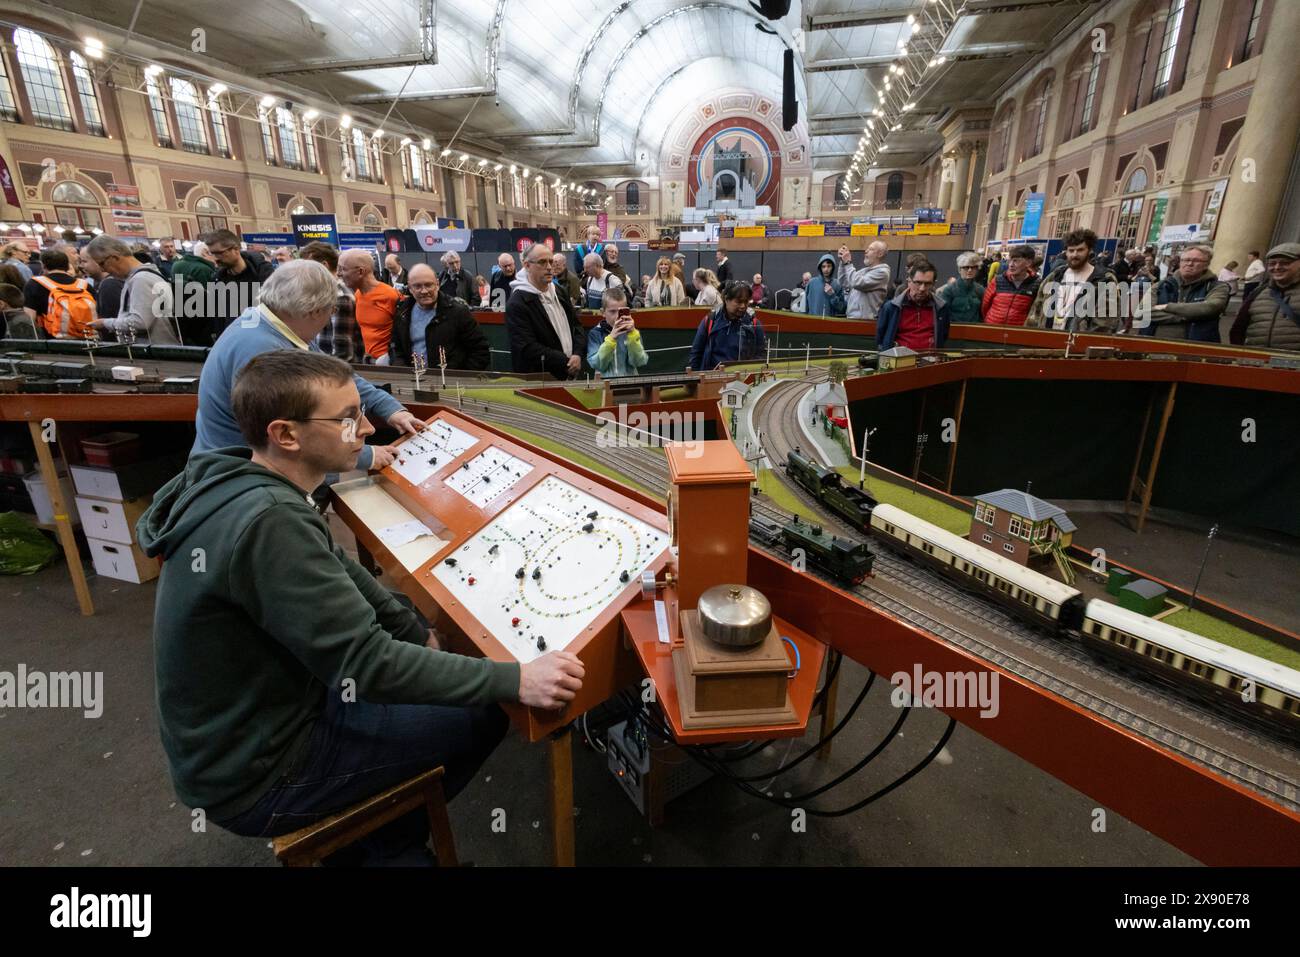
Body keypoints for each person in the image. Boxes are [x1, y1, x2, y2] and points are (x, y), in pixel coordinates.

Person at [139, 348, 584, 865]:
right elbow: (367, 665)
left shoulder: (247, 482)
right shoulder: (268, 521)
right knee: (485, 713)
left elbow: (340, 568)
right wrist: (516, 680)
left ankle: (376, 831)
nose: (368, 429)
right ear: (286, 435)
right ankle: (379, 839)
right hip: (258, 773)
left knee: (407, 616)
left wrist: (413, 629)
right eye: (348, 418)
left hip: (253, 728)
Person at [193, 259, 421, 470]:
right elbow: (296, 435)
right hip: (241, 475)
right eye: (331, 310)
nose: (330, 317)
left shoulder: (272, 323)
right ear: (312, 311)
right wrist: (367, 455)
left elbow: (335, 377)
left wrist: (391, 409)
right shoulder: (264, 349)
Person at [388, 263, 490, 370]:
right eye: (417, 286)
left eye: (428, 285)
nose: (424, 291)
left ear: (437, 284)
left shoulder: (458, 312)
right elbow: (395, 349)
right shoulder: (402, 312)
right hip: (413, 381)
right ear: (410, 288)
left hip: (451, 383)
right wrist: (403, 372)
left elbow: (480, 351)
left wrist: (459, 378)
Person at [505, 243, 585, 379]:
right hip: (541, 380)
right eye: (542, 262)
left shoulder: (560, 291)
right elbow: (527, 348)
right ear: (527, 265)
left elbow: (577, 327)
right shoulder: (517, 303)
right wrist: (566, 362)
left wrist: (577, 354)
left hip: (570, 373)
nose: (549, 267)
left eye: (551, 261)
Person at [84, 235, 180, 345]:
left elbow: (141, 322)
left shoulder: (141, 279)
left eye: (102, 263)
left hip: (156, 353)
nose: (102, 269)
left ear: (114, 257)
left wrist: (105, 323)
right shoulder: (142, 276)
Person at [1027, 229, 1119, 332]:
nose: (1074, 255)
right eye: (1071, 250)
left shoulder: (1104, 280)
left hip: (1078, 343)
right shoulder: (1055, 277)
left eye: (1080, 250)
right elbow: (1036, 312)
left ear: (1090, 251)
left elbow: (1106, 322)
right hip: (1047, 340)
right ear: (1065, 252)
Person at [1144, 243, 1229, 342]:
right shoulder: (1162, 285)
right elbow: (1143, 313)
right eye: (1186, 260)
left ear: (1207, 264)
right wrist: (1189, 316)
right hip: (1155, 345)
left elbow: (1211, 307)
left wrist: (1167, 307)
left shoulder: (1217, 286)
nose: (1189, 264)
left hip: (1197, 348)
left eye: (1196, 260)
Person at [301, 241, 366, 364]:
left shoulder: (340, 297)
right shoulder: (323, 294)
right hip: (325, 367)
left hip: (335, 372)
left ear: (324, 265)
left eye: (307, 267)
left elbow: (343, 351)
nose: (304, 272)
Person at [1229, 243, 1300, 351]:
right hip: (1257, 361)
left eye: (1285, 263)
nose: (1277, 267)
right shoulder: (1258, 292)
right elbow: (1238, 329)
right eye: (1272, 263)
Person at [207, 229, 274, 336]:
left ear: (236, 249)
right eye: (212, 253)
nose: (215, 258)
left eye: (219, 253)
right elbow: (218, 318)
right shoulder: (217, 280)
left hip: (264, 338)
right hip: (232, 339)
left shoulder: (264, 274)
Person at [339, 248, 401, 363]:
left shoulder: (390, 295)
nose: (339, 273)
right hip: (368, 363)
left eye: (343, 269)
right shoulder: (358, 294)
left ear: (360, 272)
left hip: (388, 365)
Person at [686, 281, 766, 371]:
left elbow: (760, 355)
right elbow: (696, 353)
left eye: (746, 301)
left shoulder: (754, 323)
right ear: (726, 299)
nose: (743, 306)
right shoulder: (710, 320)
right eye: (739, 302)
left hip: (742, 380)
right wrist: (696, 379)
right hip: (712, 378)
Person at [876, 259, 950, 351]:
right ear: (909, 281)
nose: (922, 288)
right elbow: (881, 337)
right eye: (918, 282)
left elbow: (943, 335)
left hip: (930, 360)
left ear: (934, 283)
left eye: (927, 284)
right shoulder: (891, 307)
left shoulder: (941, 308)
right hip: (899, 361)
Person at [23, 247, 97, 339]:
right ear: (67, 265)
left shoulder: (35, 284)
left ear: (44, 265)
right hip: (89, 338)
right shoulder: (84, 285)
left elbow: (29, 318)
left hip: (54, 341)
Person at [586, 285, 647, 377]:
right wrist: (611, 339)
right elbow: (597, 364)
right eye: (612, 311)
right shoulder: (595, 333)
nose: (616, 316)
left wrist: (632, 336)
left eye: (621, 311)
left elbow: (638, 362)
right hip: (605, 385)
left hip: (630, 384)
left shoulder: (631, 332)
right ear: (602, 312)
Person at [981, 244, 1040, 326]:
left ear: (1028, 263)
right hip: (992, 329)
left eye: (1016, 261)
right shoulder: (998, 281)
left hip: (1017, 333)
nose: (1011, 265)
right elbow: (985, 306)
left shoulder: (1036, 284)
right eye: (1010, 260)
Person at [837, 240, 891, 319]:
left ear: (880, 254)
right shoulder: (864, 271)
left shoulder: (882, 273)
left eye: (871, 249)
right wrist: (842, 262)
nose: (866, 251)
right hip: (852, 318)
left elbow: (857, 283)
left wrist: (848, 263)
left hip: (865, 321)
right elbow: (843, 282)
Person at [939, 251, 985, 325]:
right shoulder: (949, 290)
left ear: (977, 270)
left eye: (973, 267)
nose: (970, 270)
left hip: (974, 330)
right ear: (959, 269)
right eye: (966, 267)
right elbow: (943, 314)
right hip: (954, 330)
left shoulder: (980, 290)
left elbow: (982, 313)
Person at [78, 249, 122, 320]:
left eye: (84, 261)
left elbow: (112, 320)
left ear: (97, 261)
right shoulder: (98, 284)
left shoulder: (110, 285)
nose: (81, 266)